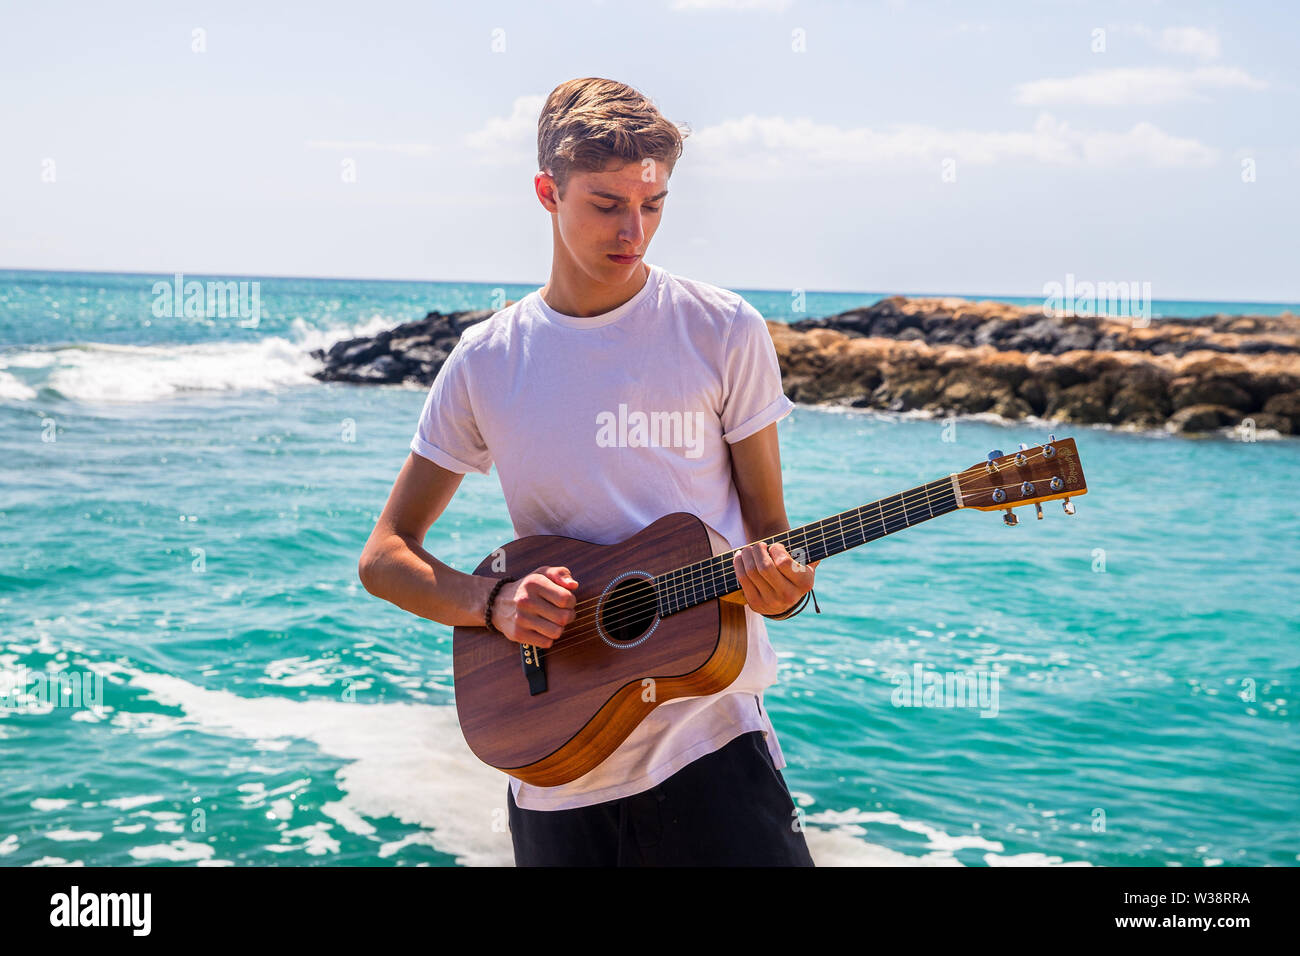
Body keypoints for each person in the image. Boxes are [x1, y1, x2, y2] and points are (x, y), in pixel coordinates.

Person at [358, 77, 818, 866]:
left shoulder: (723, 329)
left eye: (654, 204)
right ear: (548, 191)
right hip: (556, 772)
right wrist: (492, 602)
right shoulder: (488, 361)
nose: (634, 230)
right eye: (607, 205)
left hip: (710, 748)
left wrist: (790, 588)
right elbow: (386, 555)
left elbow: (775, 534)